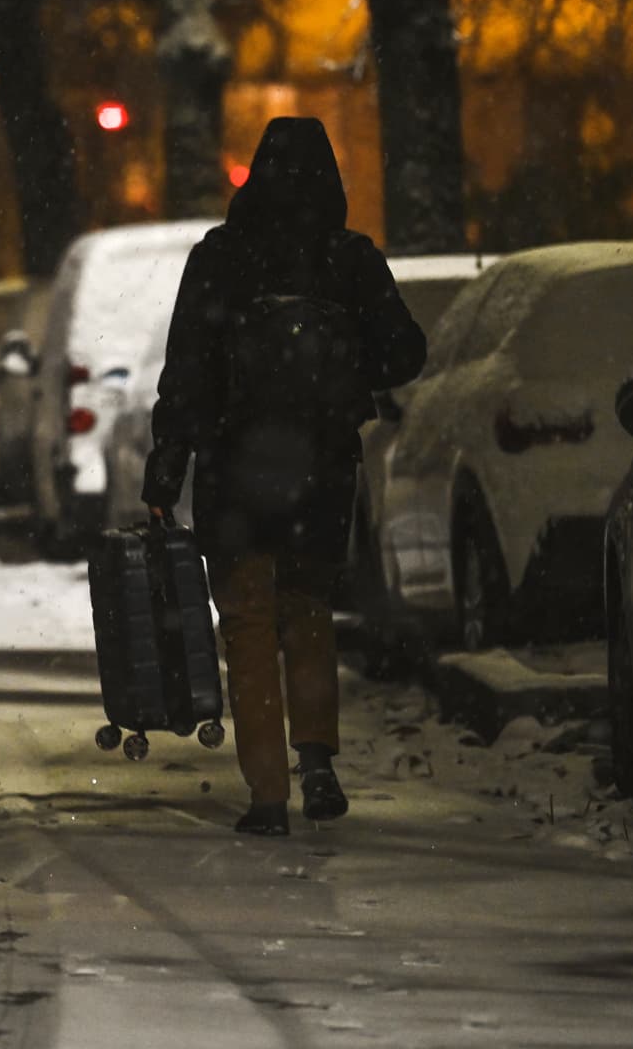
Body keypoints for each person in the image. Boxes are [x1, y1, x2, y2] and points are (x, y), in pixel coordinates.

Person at [143, 117, 427, 837]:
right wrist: (345, 369)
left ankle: (268, 792)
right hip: (320, 470)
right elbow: (407, 352)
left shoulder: (221, 259)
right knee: (307, 612)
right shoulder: (349, 258)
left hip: (235, 471)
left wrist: (165, 469)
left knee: (247, 623)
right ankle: (319, 758)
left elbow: (186, 372)